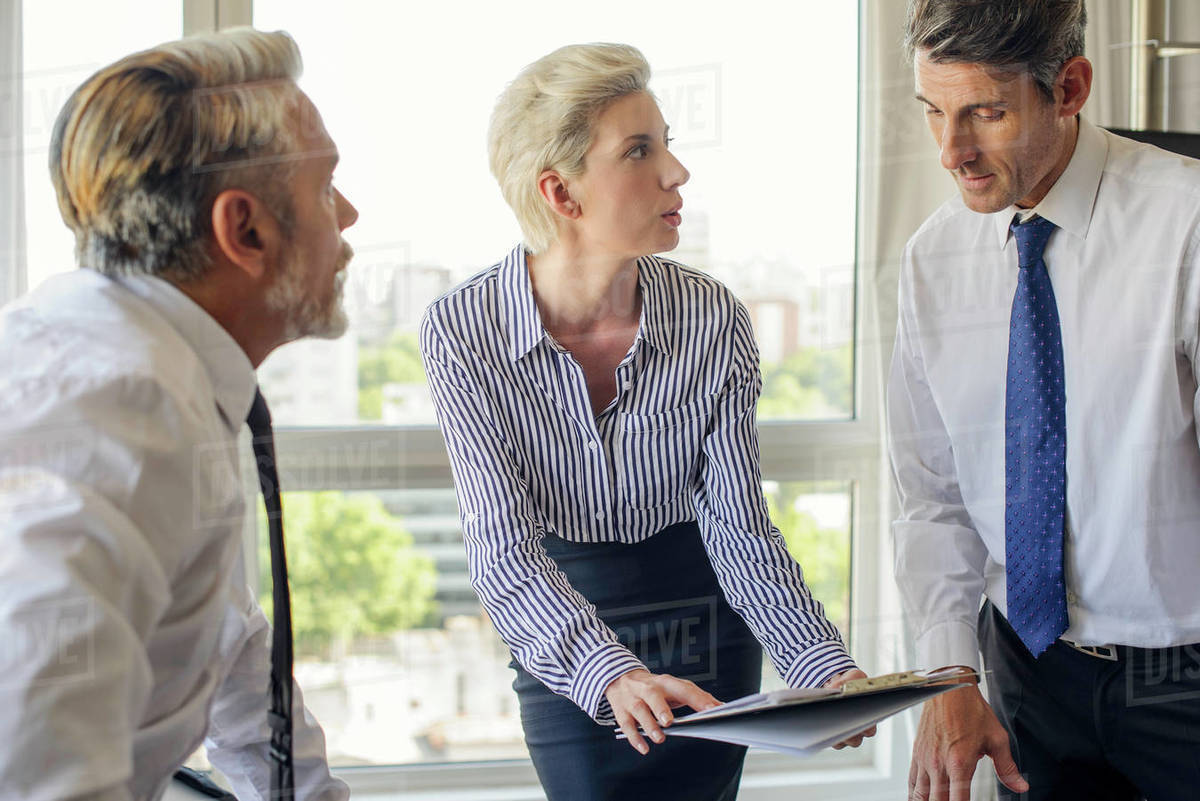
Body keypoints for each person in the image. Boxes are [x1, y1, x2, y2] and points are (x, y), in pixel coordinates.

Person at [419, 42, 870, 801]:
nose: (677, 172)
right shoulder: (463, 330)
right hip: (563, 620)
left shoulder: (711, 315)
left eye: (667, 143)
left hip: (708, 615)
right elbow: (502, 548)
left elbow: (738, 526)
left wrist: (825, 667)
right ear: (561, 193)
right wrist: (612, 672)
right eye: (639, 150)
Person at [0, 29, 358, 800]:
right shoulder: (117, 407)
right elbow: (34, 766)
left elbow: (231, 653)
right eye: (327, 188)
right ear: (247, 231)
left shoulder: (149, 370)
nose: (350, 216)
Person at [888, 1, 1200, 799]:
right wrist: (950, 674)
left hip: (1185, 680)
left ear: (1070, 88)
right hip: (1029, 676)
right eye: (935, 113)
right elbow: (933, 499)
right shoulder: (934, 261)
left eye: (985, 113)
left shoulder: (1187, 225)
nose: (953, 151)